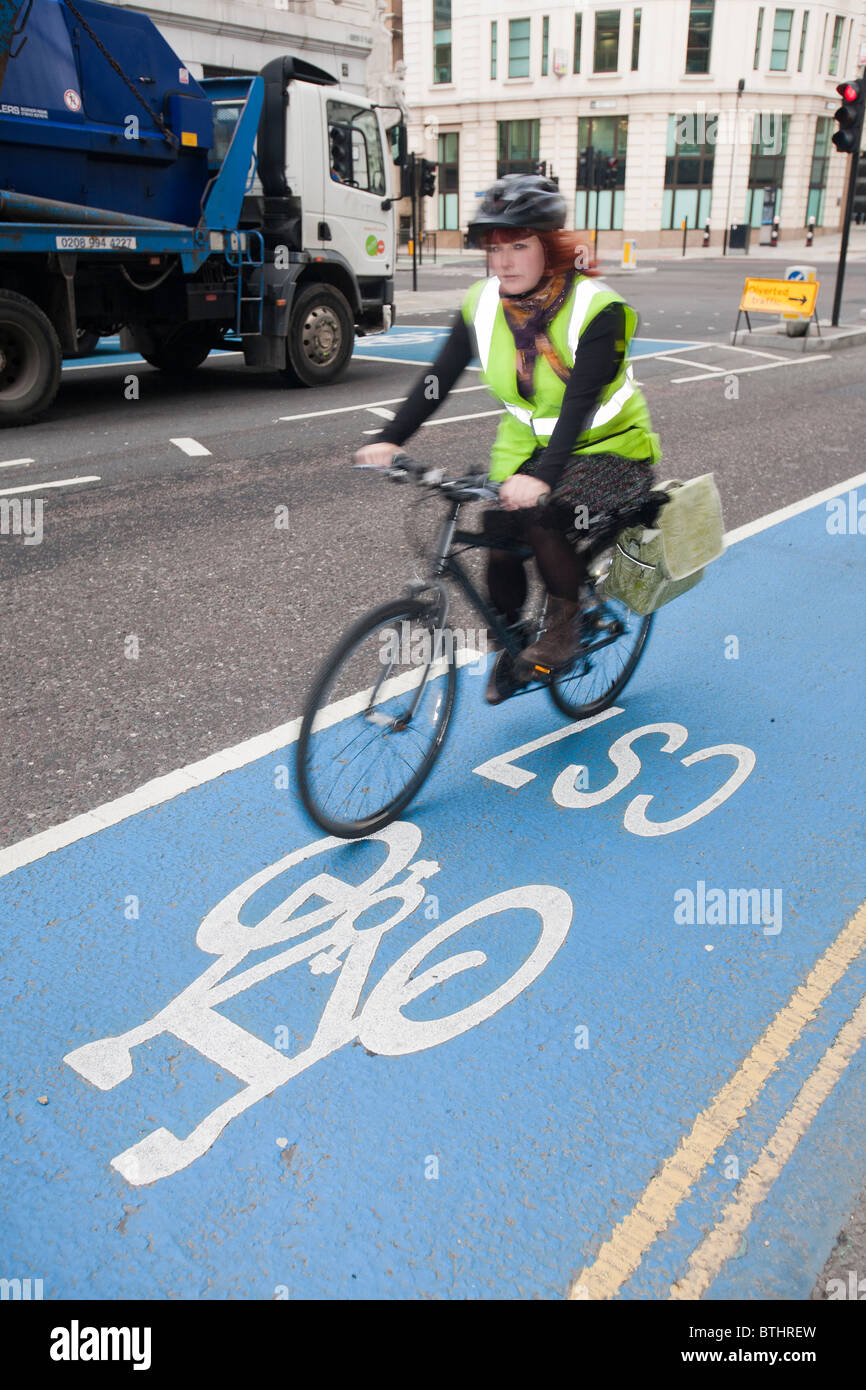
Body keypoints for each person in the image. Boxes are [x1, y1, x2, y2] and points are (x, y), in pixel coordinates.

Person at [353, 173, 661, 703]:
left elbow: (579, 404)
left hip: (613, 450)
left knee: (541, 518)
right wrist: (390, 439)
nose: (504, 262)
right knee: (499, 530)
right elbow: (438, 379)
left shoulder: (597, 309)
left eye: (519, 246)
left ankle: (565, 621)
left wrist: (541, 479)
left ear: (550, 246)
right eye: (495, 249)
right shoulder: (483, 304)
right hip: (528, 451)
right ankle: (511, 638)